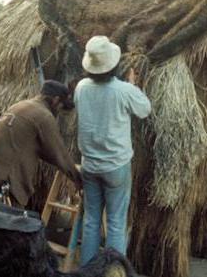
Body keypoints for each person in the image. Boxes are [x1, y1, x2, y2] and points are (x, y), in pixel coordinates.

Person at [75, 36, 151, 265]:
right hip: (116, 167)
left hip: (89, 165)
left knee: (91, 221)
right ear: (113, 64)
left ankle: (88, 270)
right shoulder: (123, 90)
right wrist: (133, 85)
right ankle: (113, 271)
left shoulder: (81, 87)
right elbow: (145, 109)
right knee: (117, 223)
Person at [0, 80, 82, 207]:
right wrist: (79, 180)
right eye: (60, 107)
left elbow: (43, 150)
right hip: (4, 178)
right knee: (6, 221)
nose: (58, 112)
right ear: (56, 100)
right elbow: (59, 154)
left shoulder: (20, 106)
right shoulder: (44, 115)